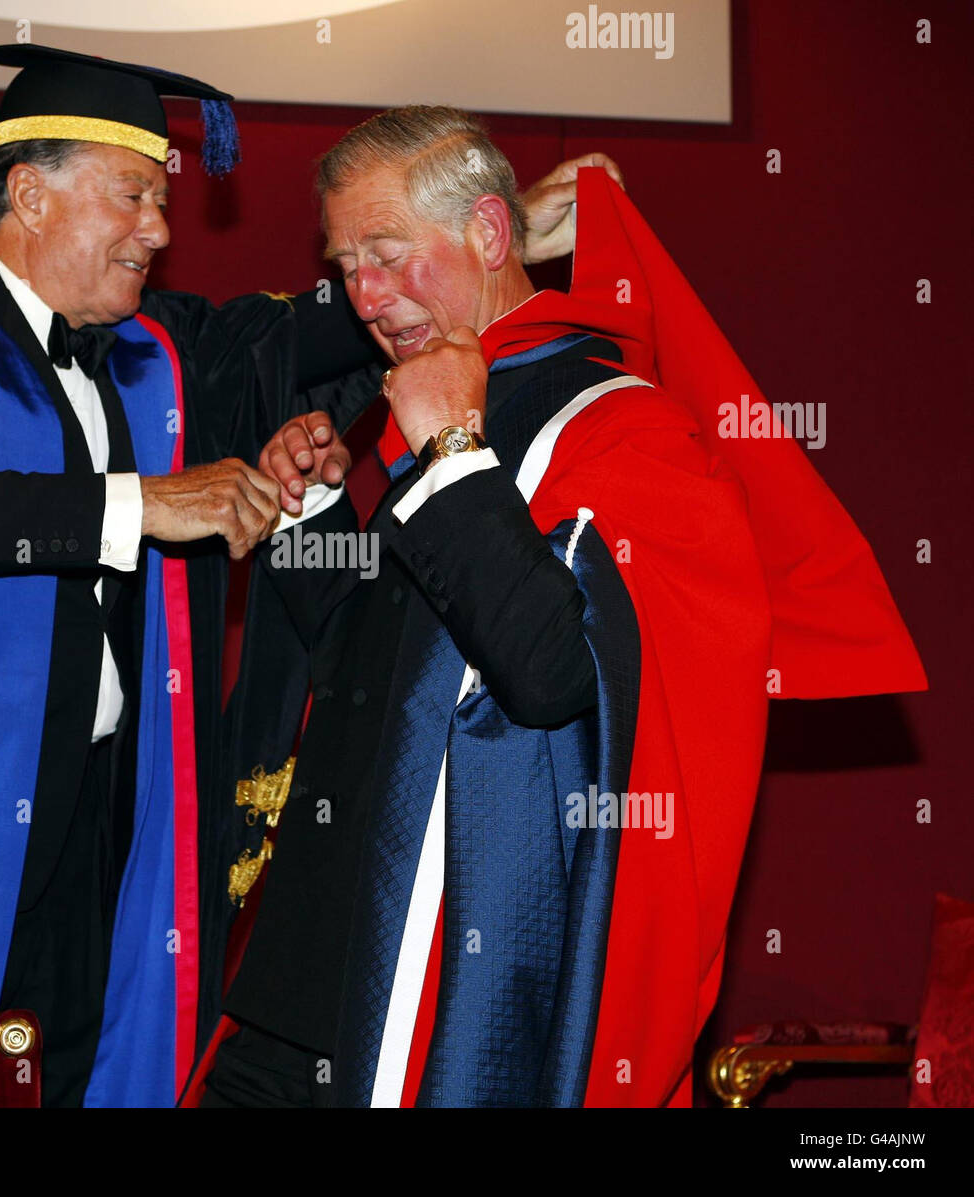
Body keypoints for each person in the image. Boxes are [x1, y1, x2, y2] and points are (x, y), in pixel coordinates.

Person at [0, 49, 600, 1108]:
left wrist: (486, 237)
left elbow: (299, 340)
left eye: (164, 202)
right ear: (31, 194)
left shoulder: (149, 355)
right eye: (134, 196)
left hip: (109, 823)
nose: (162, 232)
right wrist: (139, 502)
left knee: (94, 1058)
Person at [197, 106, 927, 1108]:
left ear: (490, 235)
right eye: (345, 265)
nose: (364, 296)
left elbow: (548, 676)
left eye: (386, 254)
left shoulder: (625, 426)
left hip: (431, 986)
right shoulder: (450, 402)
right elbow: (363, 676)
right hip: (296, 982)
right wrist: (315, 504)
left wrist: (451, 452)